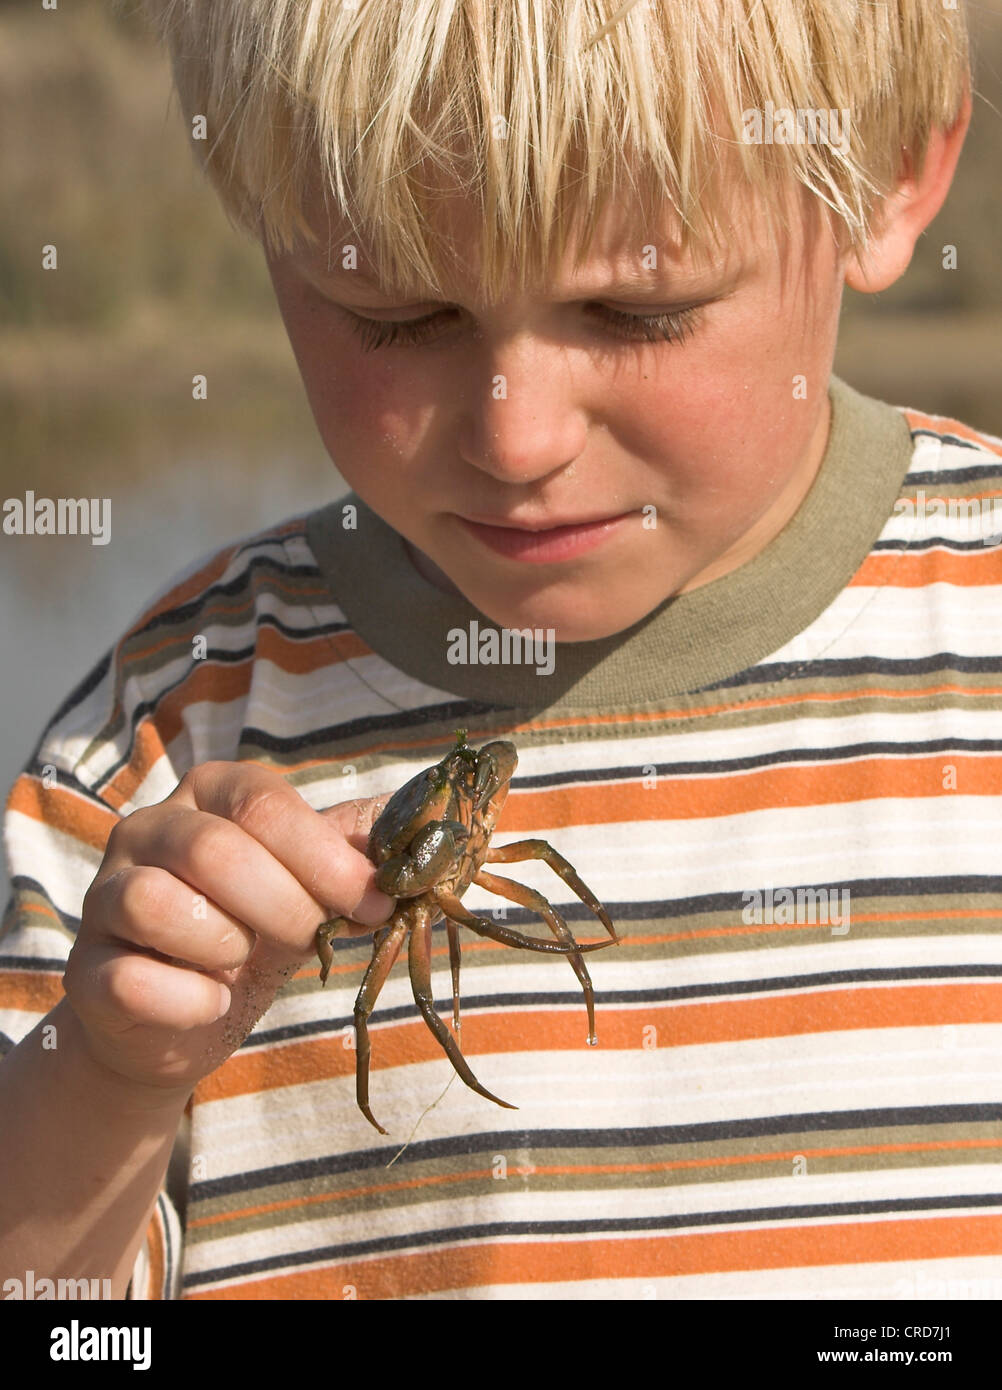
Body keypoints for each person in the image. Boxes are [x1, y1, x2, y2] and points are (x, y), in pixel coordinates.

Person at [2, 0, 999, 1301]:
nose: (516, 438)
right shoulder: (153, 744)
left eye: (635, 307)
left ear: (884, 184)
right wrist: (107, 1074)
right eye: (398, 313)